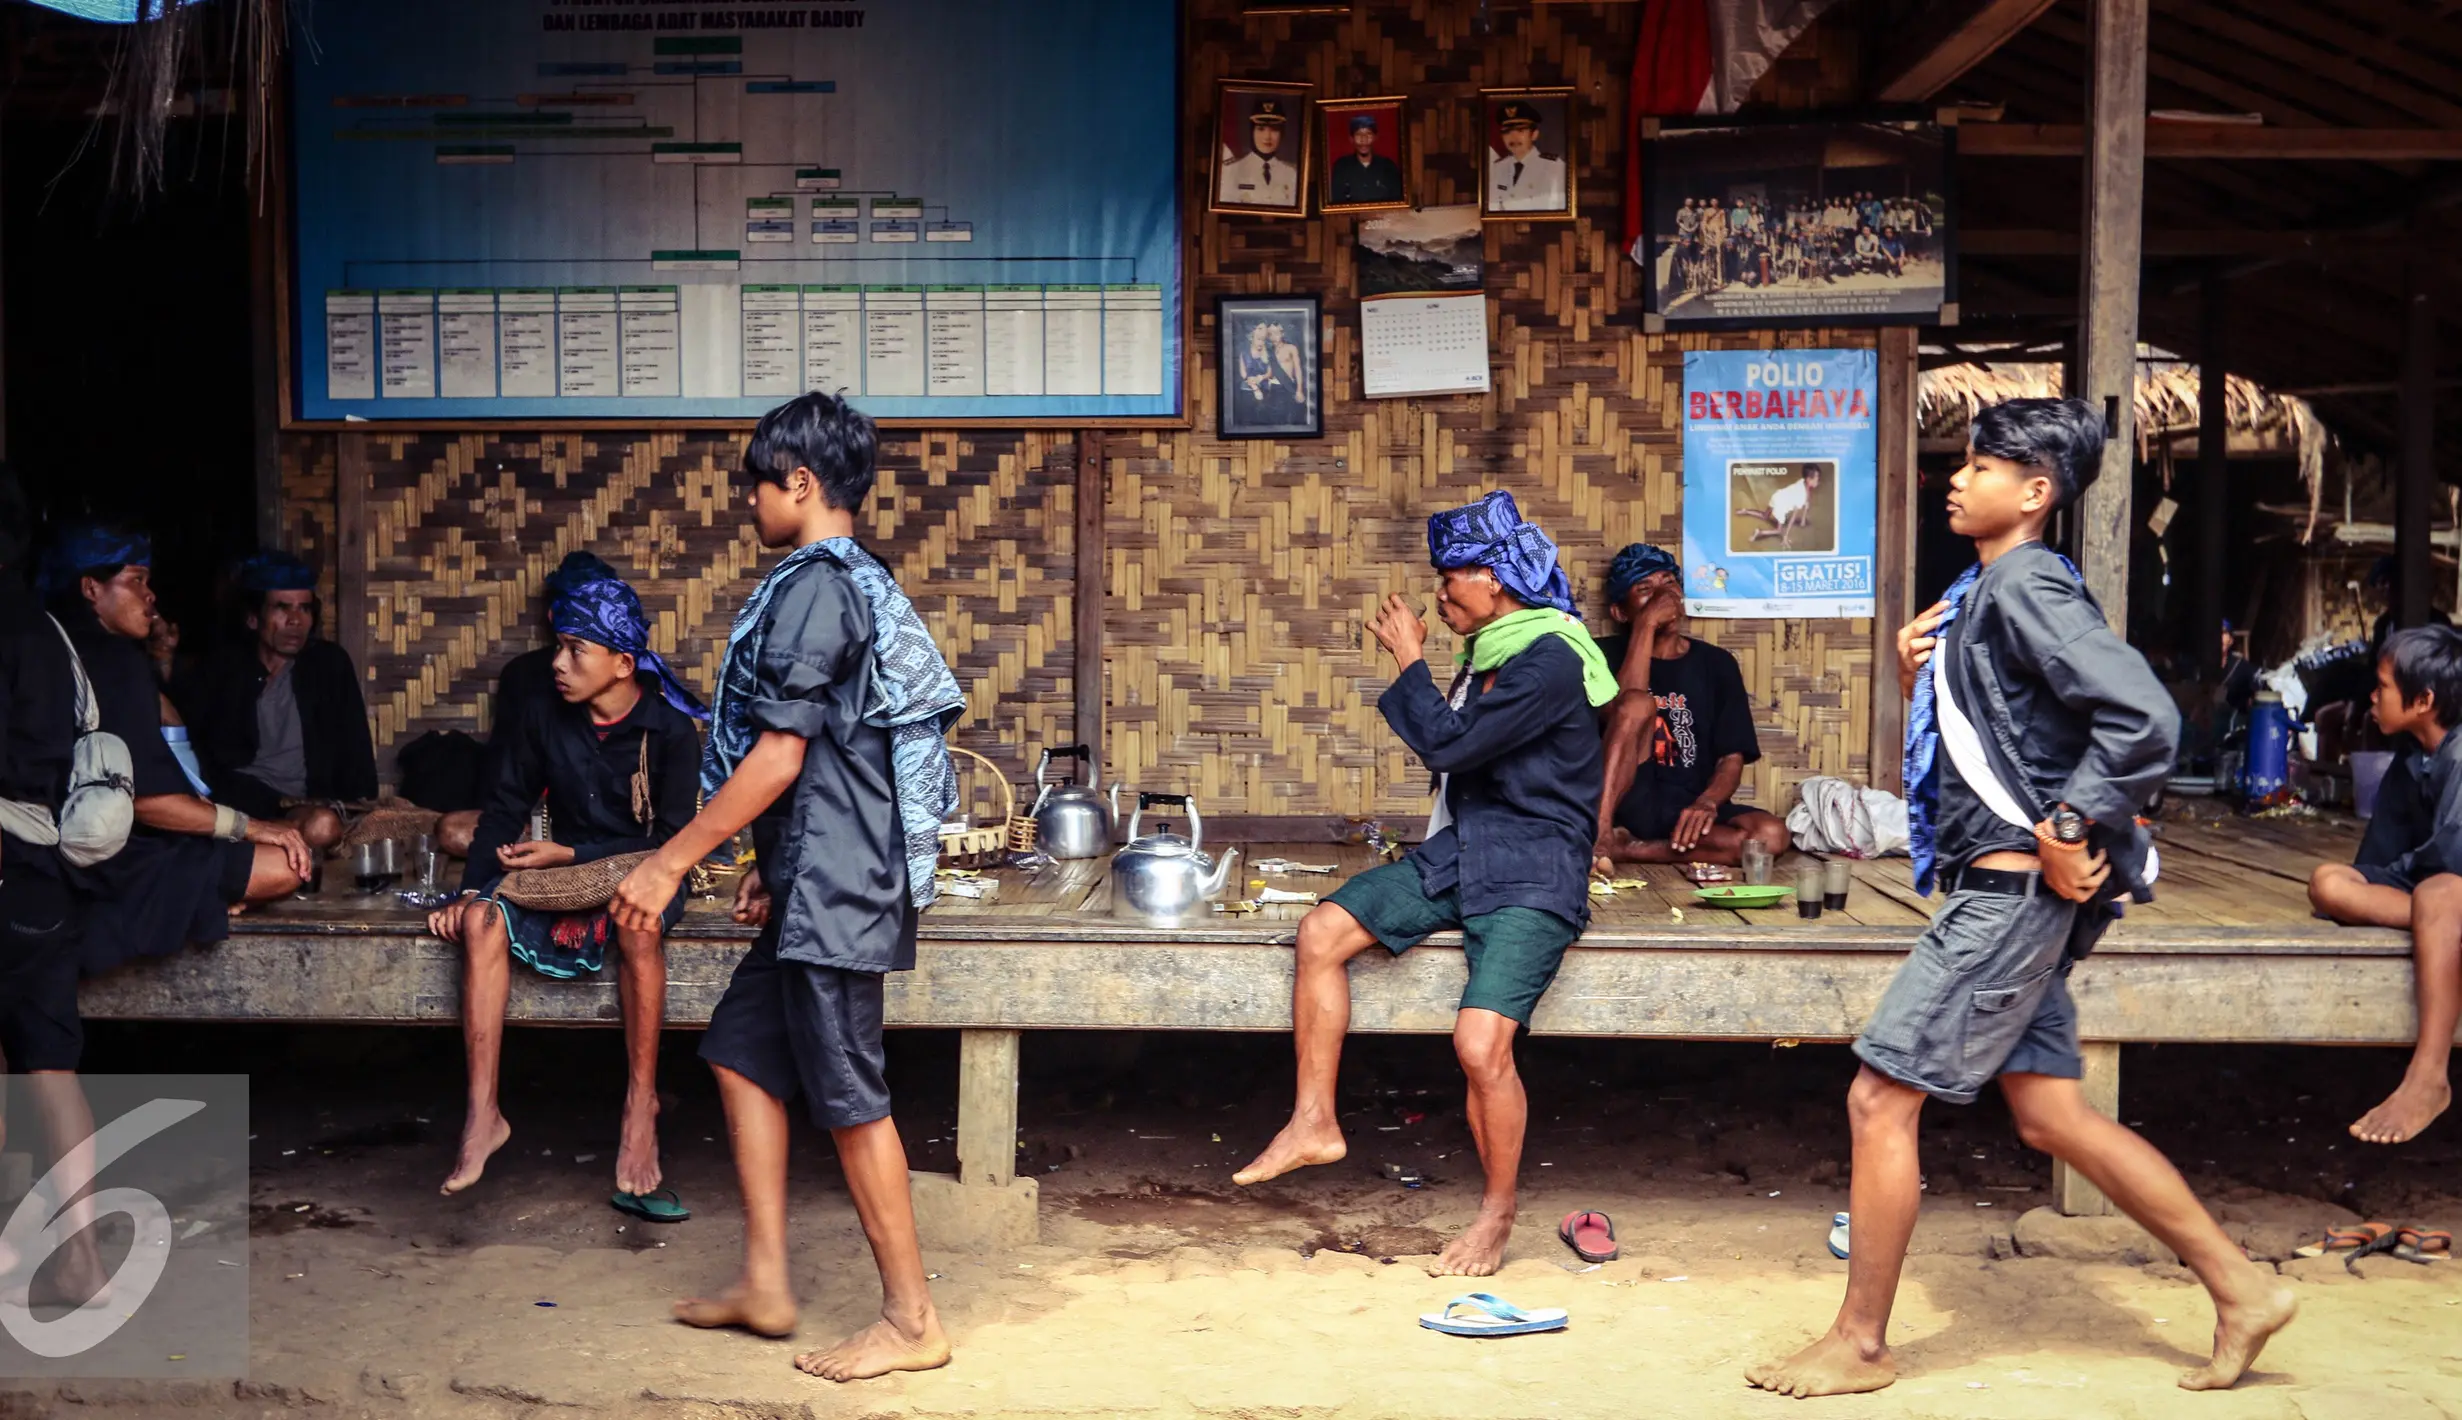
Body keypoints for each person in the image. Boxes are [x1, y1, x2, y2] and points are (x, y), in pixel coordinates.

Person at [1748, 398, 2295, 1399]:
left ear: (2033, 491)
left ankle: (1862, 1341)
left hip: (2005, 898)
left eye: (1979, 466)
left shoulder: (2025, 584)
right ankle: (2240, 1286)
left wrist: (2071, 826)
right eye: (1961, 464)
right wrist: (1919, 666)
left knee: (1877, 1096)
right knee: (2049, 1114)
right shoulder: (1983, 594)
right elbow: (2004, 739)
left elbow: (2137, 716)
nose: (1955, 480)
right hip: (2002, 887)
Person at [613, 392, 961, 1381]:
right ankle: (766, 1280)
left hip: (840, 882)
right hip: (811, 875)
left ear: (799, 484)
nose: (748, 505)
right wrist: (768, 865)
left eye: (756, 486)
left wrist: (670, 856)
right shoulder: (850, 580)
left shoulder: (815, 587)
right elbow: (825, 762)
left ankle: (910, 1318)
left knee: (849, 1096)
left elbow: (778, 755)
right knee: (738, 1050)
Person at [1233, 491, 1614, 1278]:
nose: (1439, 596)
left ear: (1498, 581)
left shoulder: (1549, 659)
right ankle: (1313, 1121)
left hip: (1537, 864)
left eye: (1451, 580)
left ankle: (1497, 1212)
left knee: (1479, 1045)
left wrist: (1410, 658)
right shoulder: (1497, 652)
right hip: (1468, 850)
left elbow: (1449, 747)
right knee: (1321, 933)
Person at [425, 574, 706, 1201]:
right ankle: (483, 1115)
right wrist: (472, 892)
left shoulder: (668, 731)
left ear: (622, 663)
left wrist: (571, 851)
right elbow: (502, 807)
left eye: (576, 649)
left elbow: (672, 841)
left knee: (637, 918)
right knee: (479, 923)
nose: (558, 662)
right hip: (559, 880)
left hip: (642, 873)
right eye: (560, 646)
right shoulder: (544, 715)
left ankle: (640, 1106)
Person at [43, 527, 310, 977]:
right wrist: (253, 829)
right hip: (114, 863)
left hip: (61, 853)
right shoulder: (114, 661)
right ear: (91, 588)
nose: (150, 596)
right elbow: (148, 802)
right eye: (137, 581)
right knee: (286, 865)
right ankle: (196, 902)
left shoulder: (60, 647)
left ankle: (204, 893)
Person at [0, 475, 110, 1310]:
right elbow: (87, 743)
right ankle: (83, 1262)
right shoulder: (50, 635)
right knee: (48, 1064)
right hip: (39, 864)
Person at [2304, 624, 2462, 1144]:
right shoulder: (2412, 757)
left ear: (2423, 700)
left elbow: (2450, 866)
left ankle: (2428, 1076)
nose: (2373, 695)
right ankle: (2432, 919)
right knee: (2329, 882)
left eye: (2384, 686)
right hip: (2433, 891)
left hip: (2450, 885)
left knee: (2441, 894)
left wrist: (2431, 898)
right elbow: (2382, 864)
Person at [1591, 544, 1789, 867]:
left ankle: (1629, 849)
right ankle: (1601, 836)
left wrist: (1707, 803)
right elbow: (1621, 709)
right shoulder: (1600, 655)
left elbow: (1731, 758)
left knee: (1770, 835)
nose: (1661, 596)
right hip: (1624, 802)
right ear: (1619, 612)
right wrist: (1646, 626)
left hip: (1686, 807)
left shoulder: (1717, 664)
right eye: (1645, 589)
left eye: (1669, 584)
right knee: (1639, 703)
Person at [171, 550, 374, 854]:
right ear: (254, 618)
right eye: (282, 607)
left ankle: (265, 838)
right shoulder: (223, 668)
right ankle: (258, 837)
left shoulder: (328, 664)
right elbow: (191, 743)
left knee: (323, 826)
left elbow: (354, 740)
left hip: (303, 807)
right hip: (239, 801)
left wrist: (359, 801)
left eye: (304, 609)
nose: (295, 620)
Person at [438, 551, 623, 859]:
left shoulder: (632, 672)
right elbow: (505, 766)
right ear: (553, 615)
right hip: (540, 820)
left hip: (609, 824)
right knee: (452, 829)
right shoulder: (523, 675)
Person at [1486, 100, 1566, 213]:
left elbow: (1558, 210)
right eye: (1507, 131)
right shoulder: (1496, 168)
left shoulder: (1554, 167)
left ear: (1534, 134)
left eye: (1520, 130)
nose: (1513, 137)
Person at [1218, 96, 1297, 208]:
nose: (1267, 137)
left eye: (1274, 130)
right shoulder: (1231, 170)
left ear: (1282, 133)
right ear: (1252, 131)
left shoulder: (1292, 173)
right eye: (1260, 129)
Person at [1327, 111, 1402, 206]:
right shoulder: (1341, 167)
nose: (1364, 140)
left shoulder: (1388, 167)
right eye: (1359, 135)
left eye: (1368, 134)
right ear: (1351, 138)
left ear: (1375, 137)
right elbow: (1336, 201)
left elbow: (1396, 200)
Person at [1742, 465, 1822, 548]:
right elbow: (1793, 517)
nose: (1818, 480)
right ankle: (1759, 532)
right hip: (1781, 506)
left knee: (1765, 516)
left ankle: (1746, 511)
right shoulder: (1801, 496)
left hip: (1776, 496)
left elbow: (1807, 495)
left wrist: (1803, 520)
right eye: (1817, 478)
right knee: (1778, 531)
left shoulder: (1802, 481)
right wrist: (1786, 536)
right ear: (1809, 479)